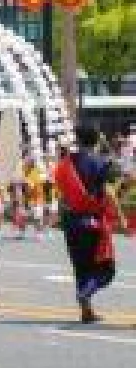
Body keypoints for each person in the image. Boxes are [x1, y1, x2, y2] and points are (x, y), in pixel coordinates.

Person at [53, 126, 123, 323]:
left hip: (70, 221)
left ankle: (86, 311)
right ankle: (86, 292)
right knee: (106, 269)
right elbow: (111, 187)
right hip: (91, 222)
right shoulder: (100, 162)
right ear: (96, 140)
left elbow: (61, 190)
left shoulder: (65, 163)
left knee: (80, 267)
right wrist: (120, 218)